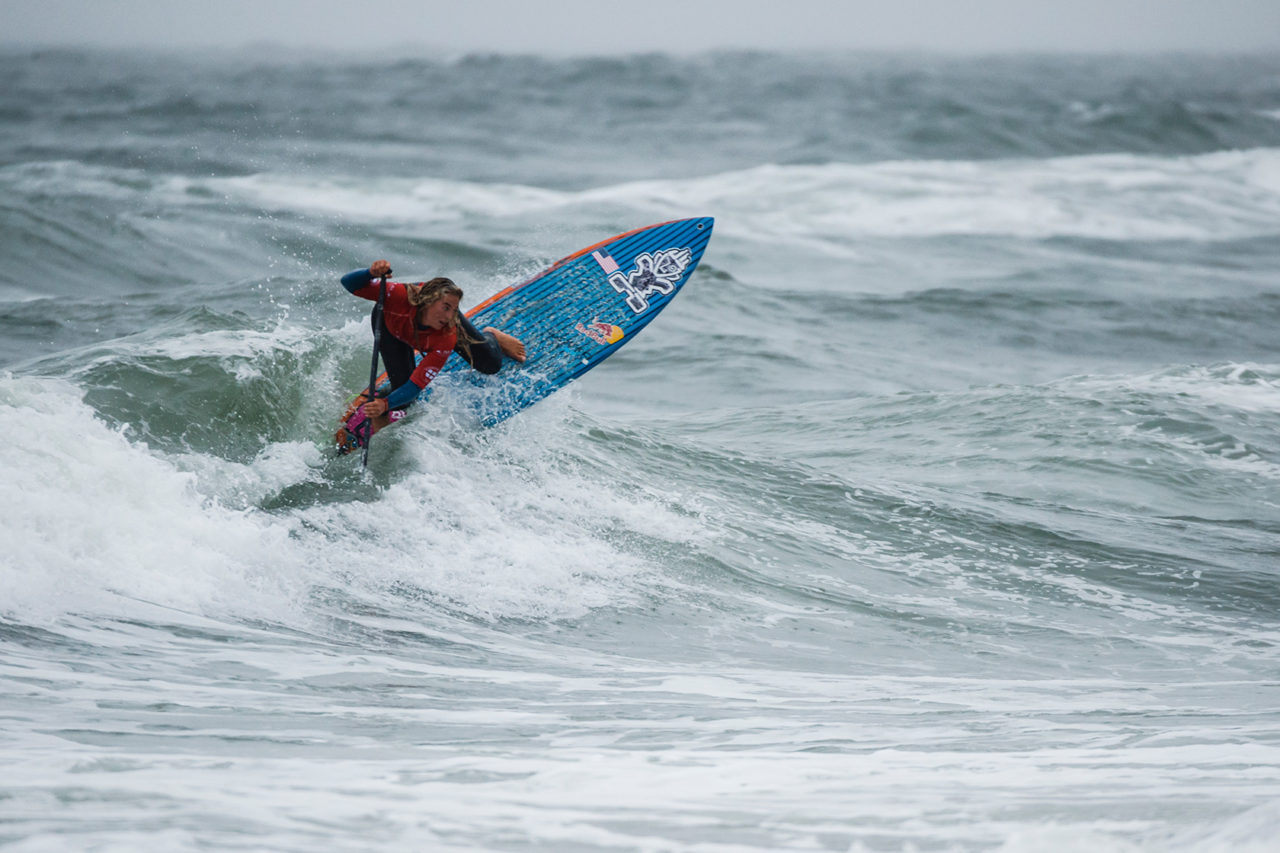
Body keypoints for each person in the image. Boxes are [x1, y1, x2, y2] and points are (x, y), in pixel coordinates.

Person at [337, 259, 525, 442]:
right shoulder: (397, 295)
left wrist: (385, 405)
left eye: (454, 309)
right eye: (446, 308)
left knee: (490, 365)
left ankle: (492, 335)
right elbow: (348, 283)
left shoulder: (448, 332)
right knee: (401, 394)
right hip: (391, 327)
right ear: (428, 301)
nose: (450, 315)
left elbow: (416, 386)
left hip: (430, 330)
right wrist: (371, 273)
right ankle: (379, 402)